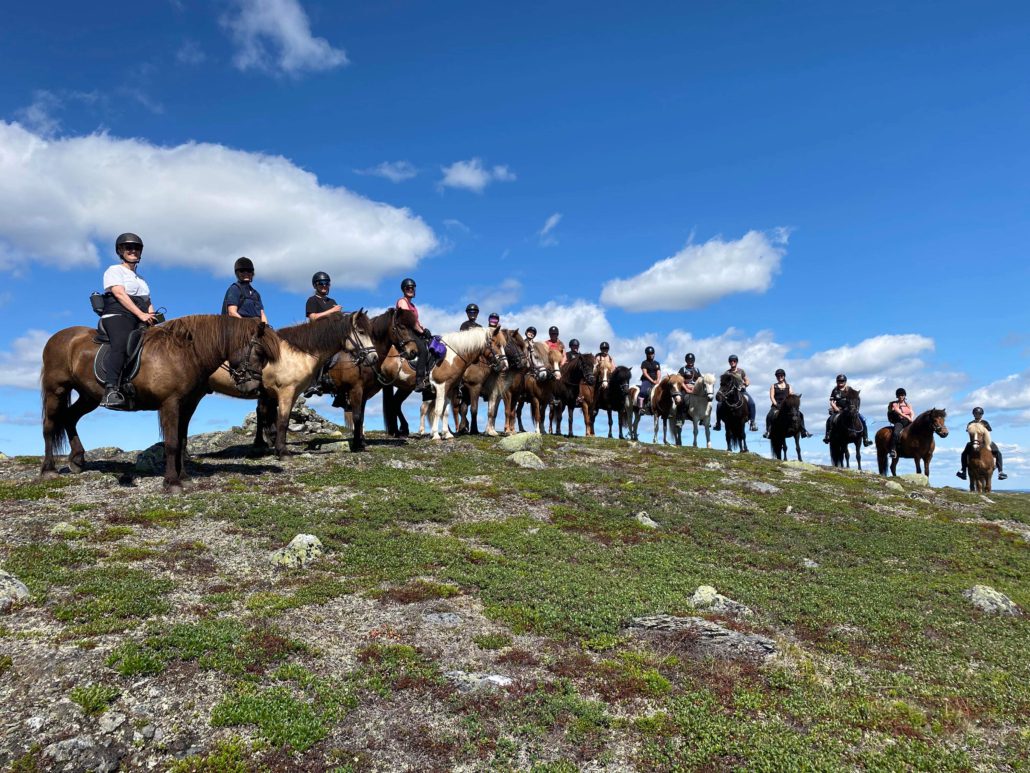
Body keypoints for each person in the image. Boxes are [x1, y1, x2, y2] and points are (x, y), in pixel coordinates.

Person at [98, 232, 158, 408]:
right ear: (120, 251)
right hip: (117, 315)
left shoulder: (142, 279)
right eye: (128, 248)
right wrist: (141, 315)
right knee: (122, 343)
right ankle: (111, 390)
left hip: (140, 317)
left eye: (136, 248)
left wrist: (152, 318)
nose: (133, 251)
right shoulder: (114, 270)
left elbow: (147, 302)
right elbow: (119, 293)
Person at [396, 277, 432, 390]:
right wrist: (421, 331)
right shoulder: (402, 301)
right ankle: (419, 381)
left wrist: (424, 329)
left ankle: (429, 376)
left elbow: (416, 322)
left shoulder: (413, 306)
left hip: (414, 331)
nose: (410, 289)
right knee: (423, 349)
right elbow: (409, 320)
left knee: (432, 345)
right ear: (403, 290)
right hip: (406, 332)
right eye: (407, 288)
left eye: (412, 288)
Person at [957, 407, 1008, 481]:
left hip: (985, 441)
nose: (977, 415)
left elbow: (989, 432)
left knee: (998, 452)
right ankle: (963, 470)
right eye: (976, 413)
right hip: (973, 441)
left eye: (979, 414)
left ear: (982, 414)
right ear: (973, 414)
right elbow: (969, 432)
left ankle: (1000, 472)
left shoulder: (985, 423)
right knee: (964, 453)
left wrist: (985, 439)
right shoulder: (970, 423)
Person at [822, 374, 872, 446]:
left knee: (863, 419)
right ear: (837, 382)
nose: (840, 382)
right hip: (838, 409)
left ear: (845, 381)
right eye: (839, 381)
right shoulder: (835, 390)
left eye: (842, 381)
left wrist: (855, 408)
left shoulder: (850, 389)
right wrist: (835, 407)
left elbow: (856, 398)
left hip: (849, 409)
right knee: (830, 419)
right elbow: (832, 402)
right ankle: (827, 436)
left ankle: (866, 438)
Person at [764, 369, 812, 438]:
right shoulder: (773, 386)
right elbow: (771, 397)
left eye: (781, 375)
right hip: (776, 406)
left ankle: (803, 431)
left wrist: (793, 400)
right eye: (778, 376)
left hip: (786, 406)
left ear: (784, 376)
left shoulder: (788, 386)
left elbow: (791, 396)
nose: (779, 377)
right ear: (776, 377)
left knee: (800, 414)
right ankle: (768, 431)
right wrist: (776, 405)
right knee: (769, 415)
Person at [715, 355, 756, 431]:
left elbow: (747, 380)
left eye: (734, 361)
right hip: (730, 393)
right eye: (731, 361)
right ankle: (718, 423)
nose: (732, 362)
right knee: (719, 404)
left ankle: (752, 422)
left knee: (752, 403)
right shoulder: (727, 372)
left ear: (736, 362)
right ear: (729, 362)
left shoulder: (741, 371)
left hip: (741, 391)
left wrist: (745, 384)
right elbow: (724, 383)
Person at [222, 257, 268, 323]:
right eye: (242, 271)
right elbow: (232, 312)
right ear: (237, 273)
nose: (246, 273)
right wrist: (247, 326)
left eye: (249, 271)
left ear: (252, 273)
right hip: (239, 326)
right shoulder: (235, 289)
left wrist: (266, 327)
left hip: (257, 327)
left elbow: (262, 314)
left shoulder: (256, 294)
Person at [887, 388, 915, 459]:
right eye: (899, 395)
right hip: (899, 422)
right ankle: (893, 449)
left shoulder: (908, 405)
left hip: (909, 422)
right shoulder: (895, 404)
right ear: (897, 396)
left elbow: (912, 412)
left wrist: (911, 418)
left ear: (905, 396)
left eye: (902, 395)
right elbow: (899, 412)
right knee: (896, 433)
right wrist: (907, 417)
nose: (901, 397)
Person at [638, 346, 660, 412]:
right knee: (643, 391)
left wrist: (658, 380)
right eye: (649, 354)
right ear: (646, 354)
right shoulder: (644, 363)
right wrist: (652, 381)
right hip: (646, 380)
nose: (651, 355)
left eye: (652, 353)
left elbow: (658, 373)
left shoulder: (657, 363)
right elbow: (645, 373)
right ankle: (640, 408)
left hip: (656, 381)